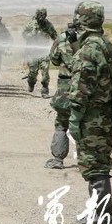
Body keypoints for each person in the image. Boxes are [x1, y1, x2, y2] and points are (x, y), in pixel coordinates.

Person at [67, 1, 112, 221]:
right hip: (104, 112)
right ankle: (103, 210)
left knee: (93, 163)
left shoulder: (89, 49)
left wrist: (75, 116)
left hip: (91, 116)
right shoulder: (105, 45)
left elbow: (82, 86)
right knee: (100, 160)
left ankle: (100, 212)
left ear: (83, 19)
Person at [45, 21, 78, 168]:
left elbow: (54, 59)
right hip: (89, 88)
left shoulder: (63, 38)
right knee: (91, 123)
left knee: (62, 123)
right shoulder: (94, 40)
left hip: (66, 87)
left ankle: (58, 159)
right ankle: (94, 161)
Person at [22, 7, 57, 97]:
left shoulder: (48, 25)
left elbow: (55, 36)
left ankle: (45, 90)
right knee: (33, 73)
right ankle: (31, 82)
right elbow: (24, 35)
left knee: (45, 72)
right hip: (33, 53)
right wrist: (31, 34)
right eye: (40, 15)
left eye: (43, 15)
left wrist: (57, 45)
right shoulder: (31, 24)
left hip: (44, 53)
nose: (42, 17)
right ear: (37, 15)